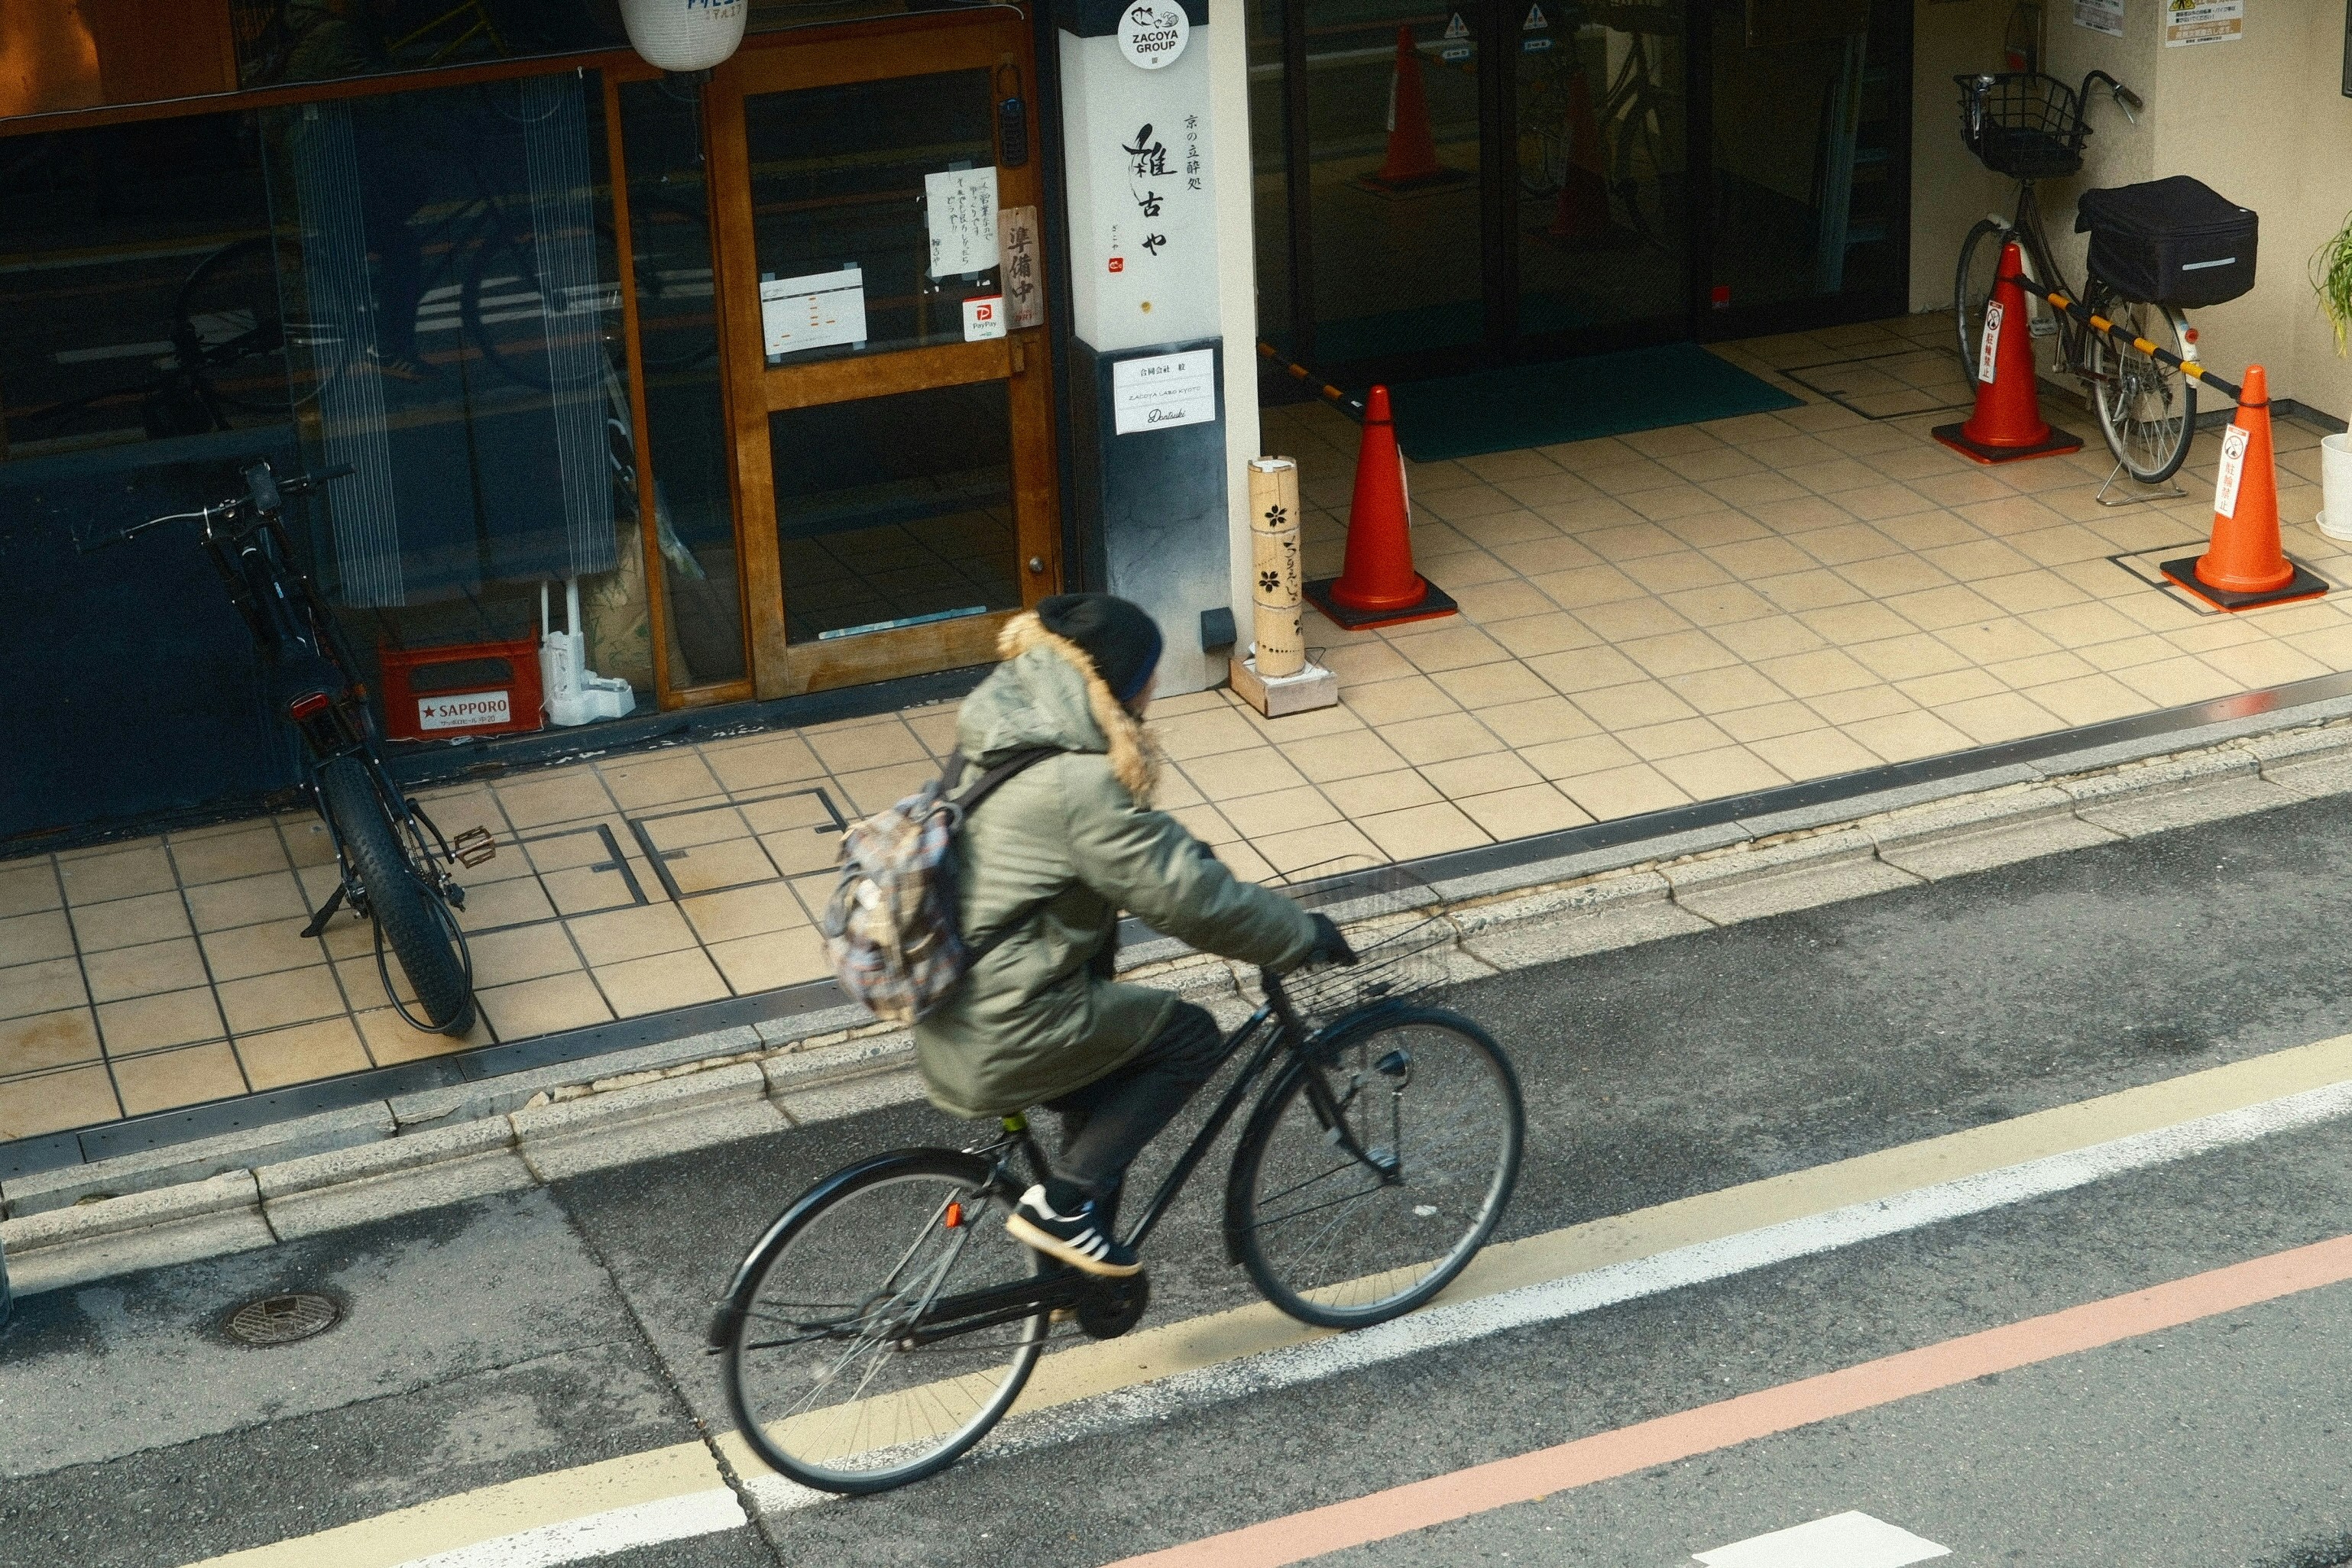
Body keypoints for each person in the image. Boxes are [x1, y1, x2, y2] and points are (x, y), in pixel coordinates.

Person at [911, 594, 1355, 1278]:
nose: (1156, 688)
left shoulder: (1000, 741)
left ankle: (1067, 1278)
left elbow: (1120, 859)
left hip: (958, 1009)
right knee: (1187, 1038)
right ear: (1119, 681)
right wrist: (1297, 934)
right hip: (1012, 1023)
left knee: (1106, 1082)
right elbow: (1185, 900)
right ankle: (1062, 1209)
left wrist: (1176, 851)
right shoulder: (1078, 782)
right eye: (1151, 673)